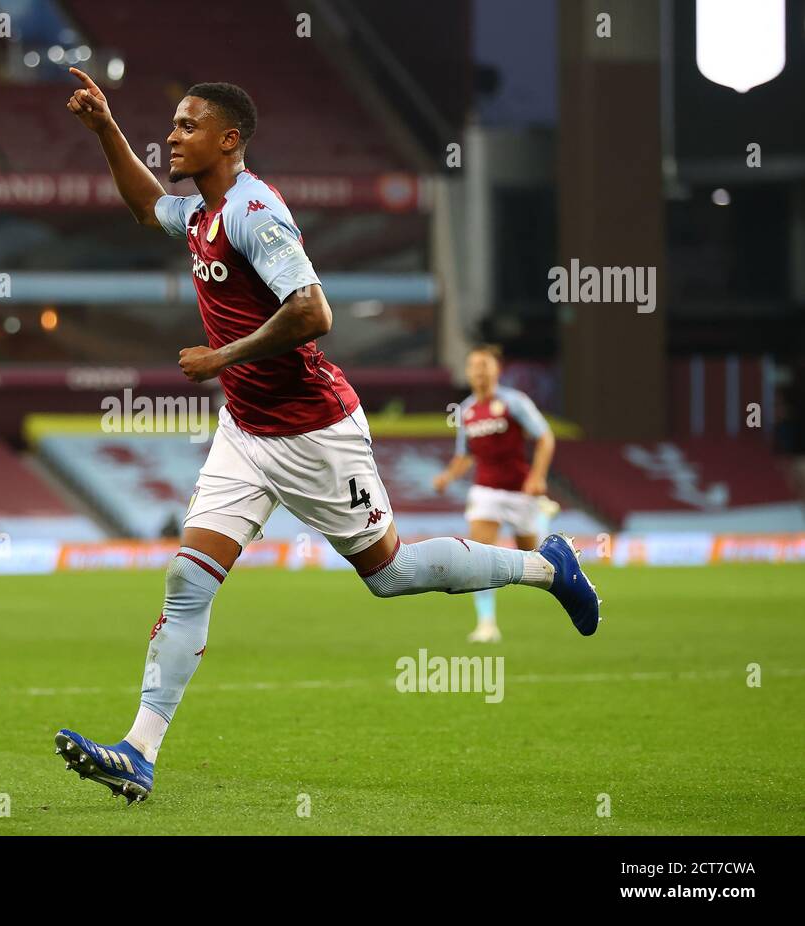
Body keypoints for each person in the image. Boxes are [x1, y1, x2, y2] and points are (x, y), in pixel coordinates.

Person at [54, 69, 600, 804]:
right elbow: (146, 204)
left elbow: (314, 313)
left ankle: (548, 567)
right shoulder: (202, 213)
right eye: (171, 125)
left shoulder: (254, 211)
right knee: (188, 578)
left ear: (229, 139)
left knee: (391, 574)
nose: (173, 137)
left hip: (315, 431)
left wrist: (221, 356)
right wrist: (105, 131)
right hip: (246, 430)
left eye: (186, 126)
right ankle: (139, 752)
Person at [433, 345, 558, 643]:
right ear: (467, 373)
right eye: (473, 366)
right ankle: (487, 624)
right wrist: (448, 476)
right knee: (479, 556)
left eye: (484, 365)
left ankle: (542, 519)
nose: (479, 371)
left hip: (519, 491)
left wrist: (537, 477)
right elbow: (465, 455)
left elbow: (545, 437)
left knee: (538, 563)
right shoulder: (465, 410)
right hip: (485, 491)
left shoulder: (514, 402)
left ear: (497, 370)